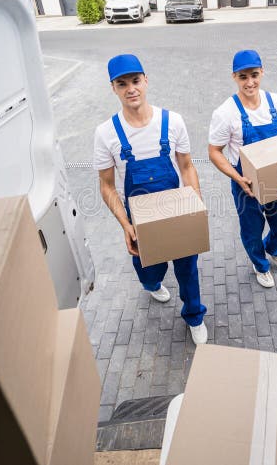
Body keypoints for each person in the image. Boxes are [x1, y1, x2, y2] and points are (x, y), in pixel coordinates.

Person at [94, 54, 208, 344]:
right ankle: (152, 282)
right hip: (140, 221)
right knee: (149, 269)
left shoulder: (172, 121)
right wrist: (125, 225)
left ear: (146, 81)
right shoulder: (106, 133)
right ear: (114, 88)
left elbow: (186, 166)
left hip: (178, 211)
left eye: (135, 81)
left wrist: (196, 203)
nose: (131, 89)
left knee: (188, 270)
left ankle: (194, 315)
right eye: (123, 84)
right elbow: (106, 186)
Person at [208, 49, 277, 288]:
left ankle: (272, 247)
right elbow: (214, 151)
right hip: (245, 184)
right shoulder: (226, 113)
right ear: (234, 77)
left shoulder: (275, 102)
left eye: (254, 75)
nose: (250, 82)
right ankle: (260, 265)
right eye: (243, 76)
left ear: (262, 72)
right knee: (252, 230)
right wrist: (237, 178)